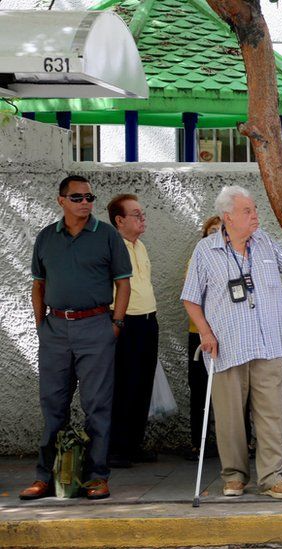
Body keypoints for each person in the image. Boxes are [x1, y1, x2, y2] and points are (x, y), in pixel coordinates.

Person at [180, 185, 282, 499]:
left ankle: (273, 476)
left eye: (255, 210)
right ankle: (234, 476)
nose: (255, 216)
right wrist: (205, 333)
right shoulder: (206, 251)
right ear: (228, 217)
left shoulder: (263, 242)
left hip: (267, 342)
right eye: (248, 211)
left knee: (270, 413)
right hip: (227, 346)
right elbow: (190, 299)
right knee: (230, 417)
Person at [20, 175, 132, 501]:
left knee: (96, 406)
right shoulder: (45, 238)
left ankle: (97, 476)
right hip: (55, 329)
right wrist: (42, 326)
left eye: (89, 197)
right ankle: (46, 477)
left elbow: (123, 284)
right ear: (61, 201)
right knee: (53, 405)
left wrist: (116, 325)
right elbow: (38, 285)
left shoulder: (107, 236)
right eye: (77, 197)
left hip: (96, 326)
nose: (85, 203)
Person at [105, 194, 160, 469]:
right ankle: (116, 448)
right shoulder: (112, 247)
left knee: (142, 384)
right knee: (123, 385)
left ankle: (134, 444)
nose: (142, 218)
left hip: (148, 321)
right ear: (119, 220)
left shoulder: (140, 247)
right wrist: (116, 322)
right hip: (125, 323)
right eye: (136, 214)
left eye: (142, 213)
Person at [183, 215, 222, 461]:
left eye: (221, 230)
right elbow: (191, 296)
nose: (216, 234)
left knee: (233, 391)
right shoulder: (197, 259)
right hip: (199, 334)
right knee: (199, 390)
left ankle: (241, 442)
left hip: (228, 335)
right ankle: (199, 442)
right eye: (211, 231)